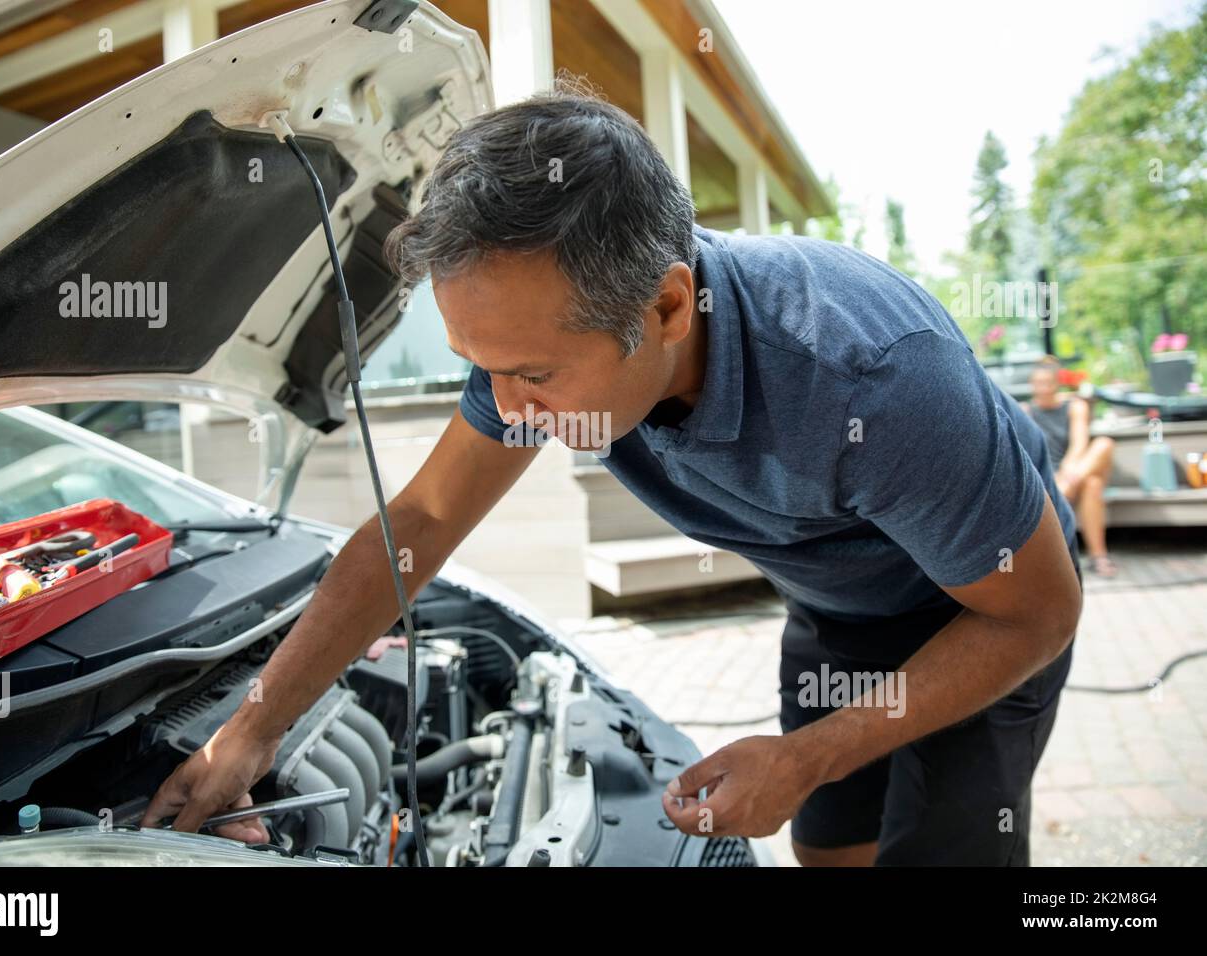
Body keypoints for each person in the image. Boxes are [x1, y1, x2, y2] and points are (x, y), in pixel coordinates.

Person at [142, 82, 1083, 866]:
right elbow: (422, 520)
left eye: (535, 376)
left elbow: (1037, 611)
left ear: (669, 306)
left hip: (985, 610)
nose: (506, 409)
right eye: (484, 364)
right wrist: (254, 729)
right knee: (832, 851)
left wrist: (811, 754)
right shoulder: (548, 342)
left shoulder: (872, 380)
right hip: (839, 613)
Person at [1022, 359, 1118, 578]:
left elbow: (1079, 444)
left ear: (1057, 384)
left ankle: (1061, 497)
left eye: (1047, 383)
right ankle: (1099, 557)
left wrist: (1069, 470)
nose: (1042, 388)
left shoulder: (1075, 407)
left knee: (1104, 445)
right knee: (1093, 484)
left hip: (1072, 470)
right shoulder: (1026, 411)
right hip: (1048, 476)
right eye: (1038, 383)